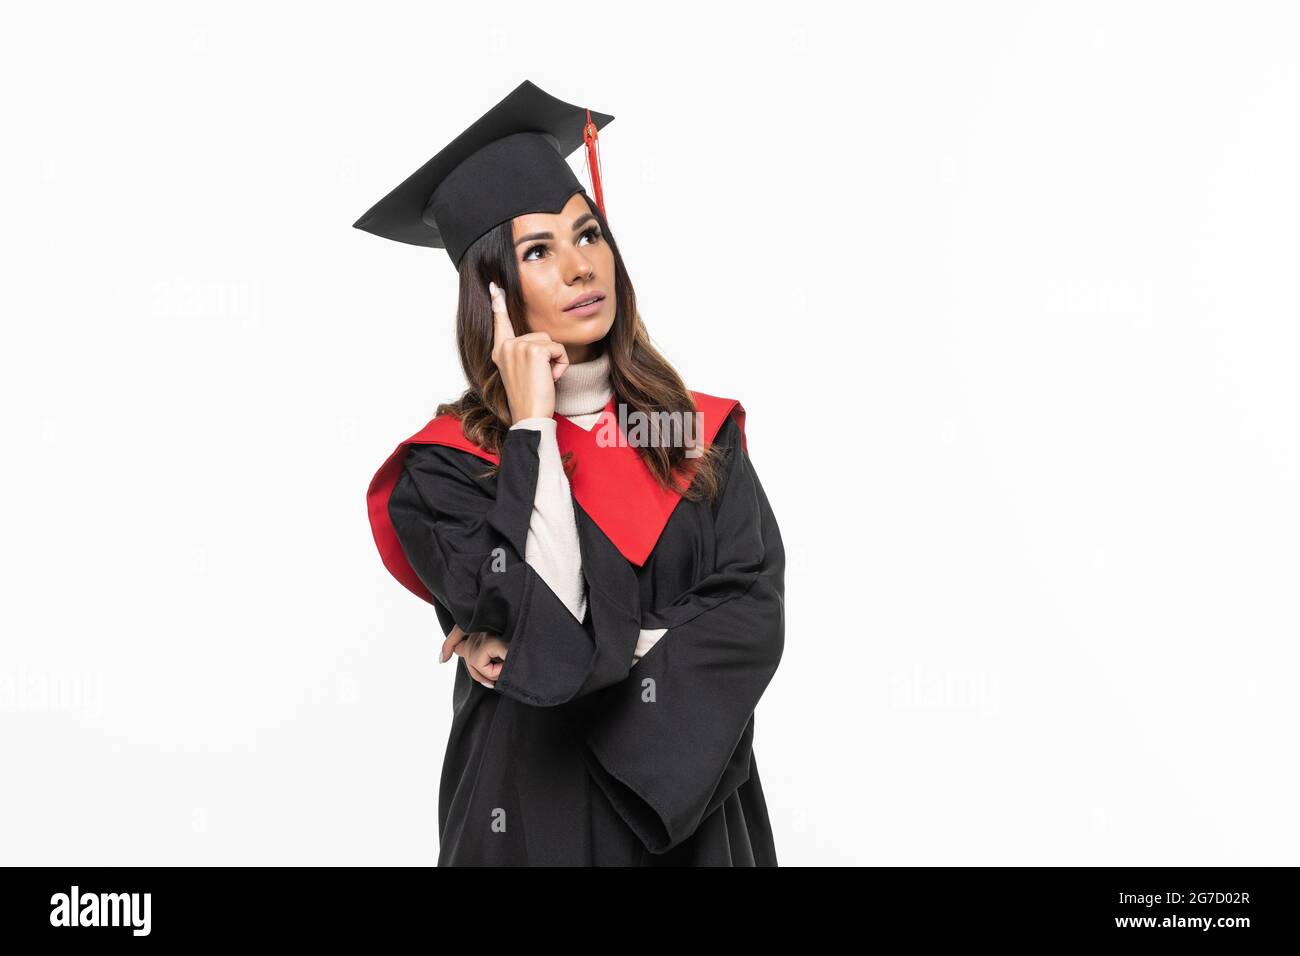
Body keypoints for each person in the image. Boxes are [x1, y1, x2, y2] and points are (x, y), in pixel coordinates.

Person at [357, 80, 785, 866]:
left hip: (681, 806)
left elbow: (750, 614)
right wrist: (531, 427)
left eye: (588, 235)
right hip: (527, 805)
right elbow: (544, 624)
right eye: (538, 251)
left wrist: (585, 650)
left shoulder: (691, 433)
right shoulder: (445, 469)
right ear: (492, 293)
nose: (581, 266)